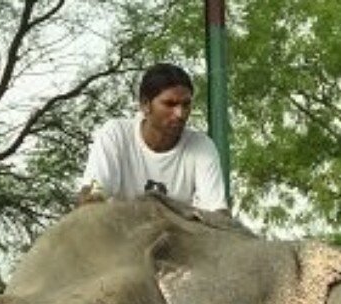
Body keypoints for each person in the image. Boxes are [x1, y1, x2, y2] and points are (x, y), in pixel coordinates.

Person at [77, 62, 228, 213]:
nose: (180, 114)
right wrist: (92, 198)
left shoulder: (202, 146)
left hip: (178, 235)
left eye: (186, 104)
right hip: (122, 233)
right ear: (145, 104)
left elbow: (216, 213)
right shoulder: (115, 134)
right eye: (170, 104)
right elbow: (93, 192)